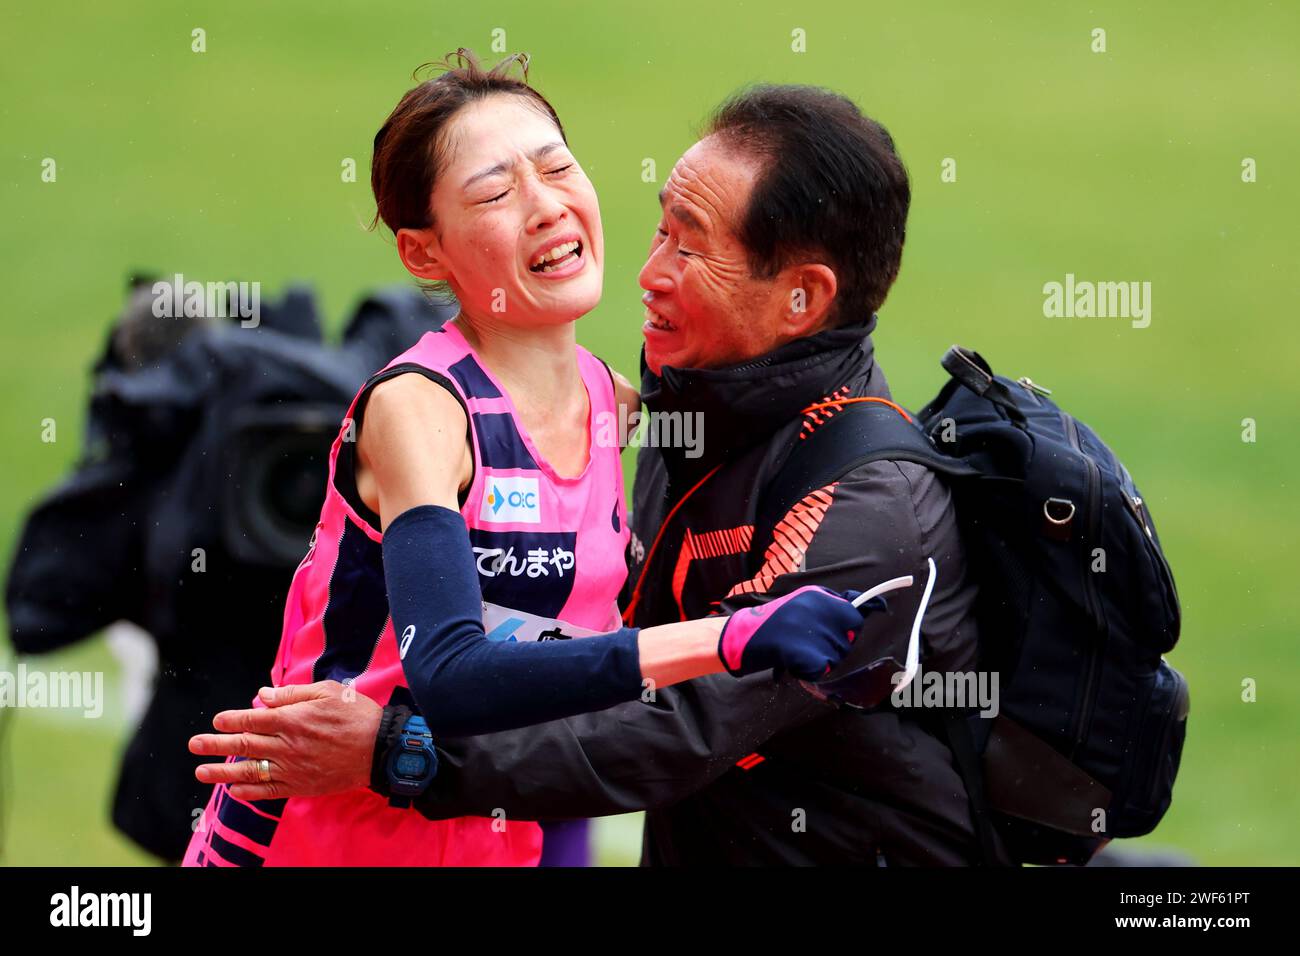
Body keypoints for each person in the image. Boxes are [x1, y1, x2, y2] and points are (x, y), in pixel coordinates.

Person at [193, 81, 1012, 866]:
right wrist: (728, 637)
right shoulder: (442, 408)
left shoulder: (651, 421)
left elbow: (659, 720)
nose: (649, 270)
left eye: (555, 168)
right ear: (422, 249)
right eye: (493, 193)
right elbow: (460, 667)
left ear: (803, 299)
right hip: (318, 838)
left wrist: (408, 758)